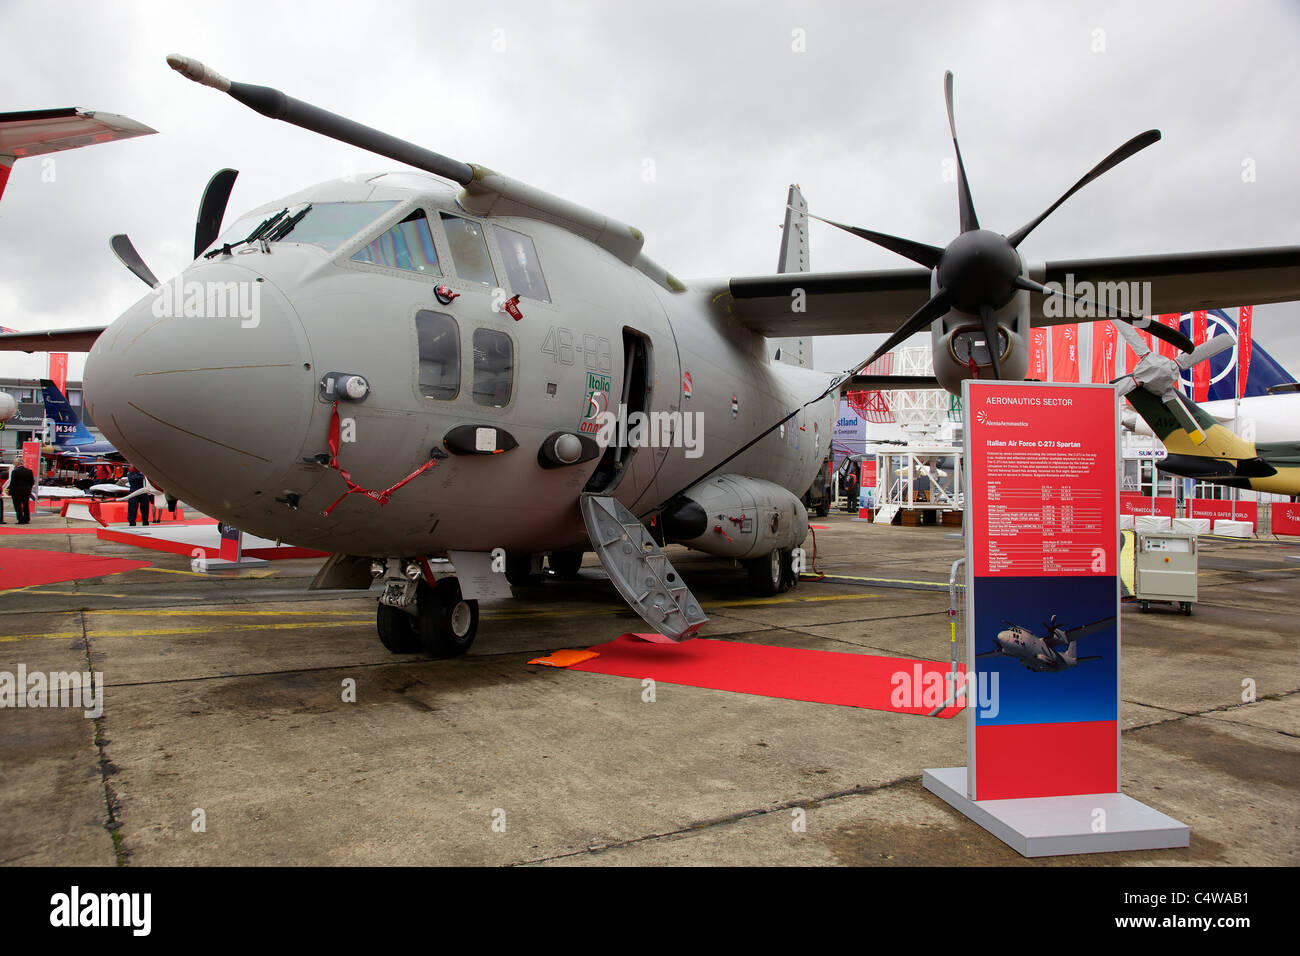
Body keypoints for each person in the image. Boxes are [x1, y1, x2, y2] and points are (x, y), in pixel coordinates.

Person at [9, 460, 35, 525]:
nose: (14, 464)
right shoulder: (29, 471)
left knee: (18, 506)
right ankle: (27, 519)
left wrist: (10, 491)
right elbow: (32, 482)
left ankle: (20, 519)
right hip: (26, 491)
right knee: (26, 505)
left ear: (18, 463)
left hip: (16, 491)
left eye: (14, 462)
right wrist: (28, 488)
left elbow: (13, 483)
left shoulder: (15, 471)